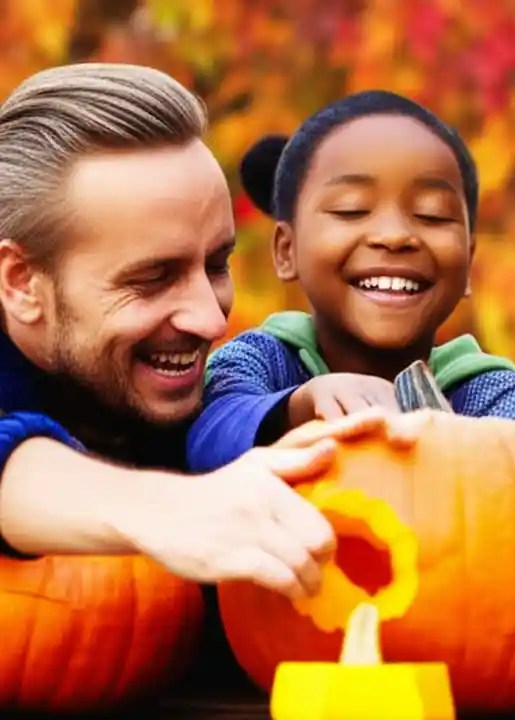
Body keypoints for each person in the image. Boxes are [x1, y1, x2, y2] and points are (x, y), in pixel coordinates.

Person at [0, 63, 414, 601]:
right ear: (21, 283)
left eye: (217, 265)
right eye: (153, 278)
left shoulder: (218, 388)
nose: (211, 320)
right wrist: (168, 507)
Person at [185, 91, 515, 562]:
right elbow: (204, 437)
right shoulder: (261, 360)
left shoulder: (492, 394)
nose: (396, 236)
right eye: (351, 210)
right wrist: (294, 408)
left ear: (468, 263)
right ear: (287, 251)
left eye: (432, 215)